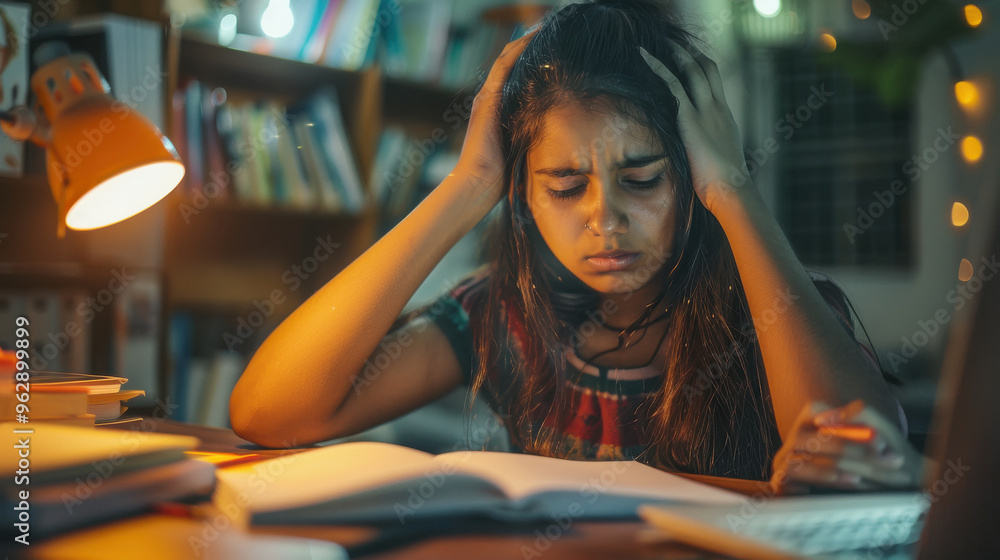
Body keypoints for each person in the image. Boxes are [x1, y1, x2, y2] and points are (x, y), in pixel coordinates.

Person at [231, 0, 922, 491]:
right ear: (523, 196)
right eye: (564, 187)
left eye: (643, 178)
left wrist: (734, 190)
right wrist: (468, 187)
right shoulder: (502, 316)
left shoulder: (771, 311)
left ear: (694, 176)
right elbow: (269, 412)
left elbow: (862, 444)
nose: (606, 220)